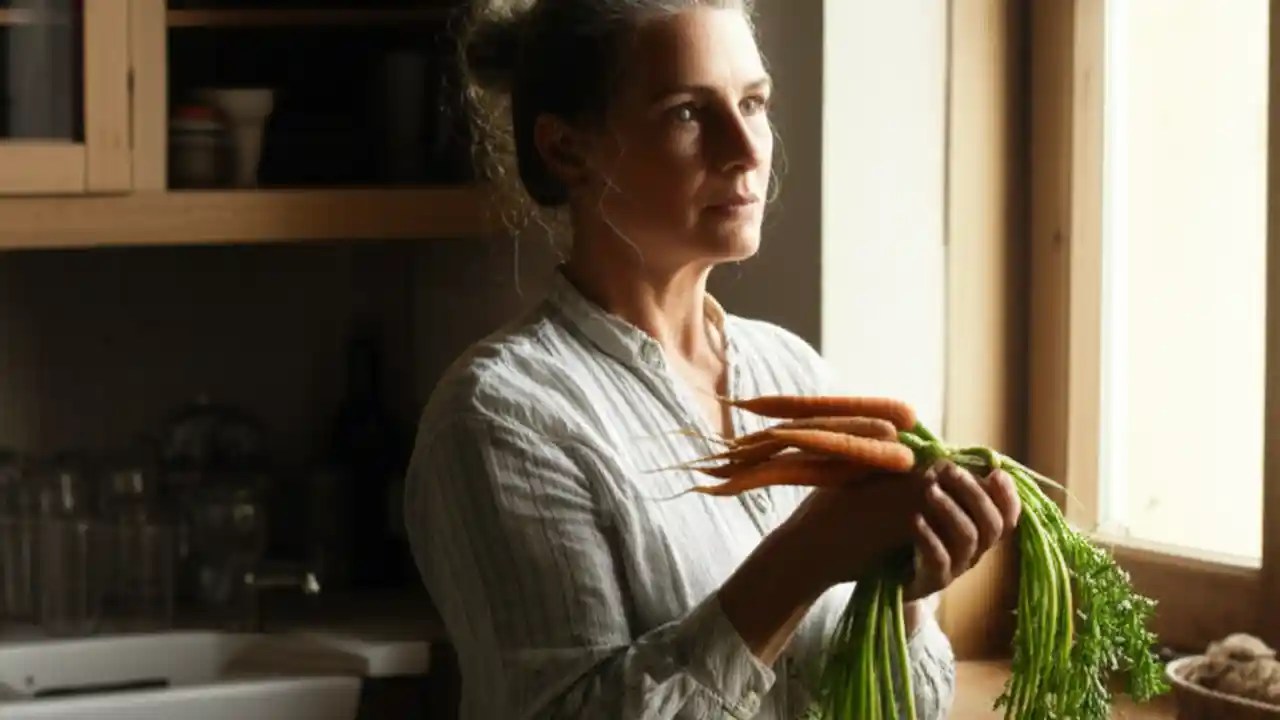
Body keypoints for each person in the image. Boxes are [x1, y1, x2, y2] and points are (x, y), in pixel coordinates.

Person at [403, 1, 1022, 718]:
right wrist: (806, 557)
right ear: (568, 150)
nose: (747, 148)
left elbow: (899, 709)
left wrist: (905, 599)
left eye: (753, 103)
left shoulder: (795, 372)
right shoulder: (502, 418)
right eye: (688, 113)